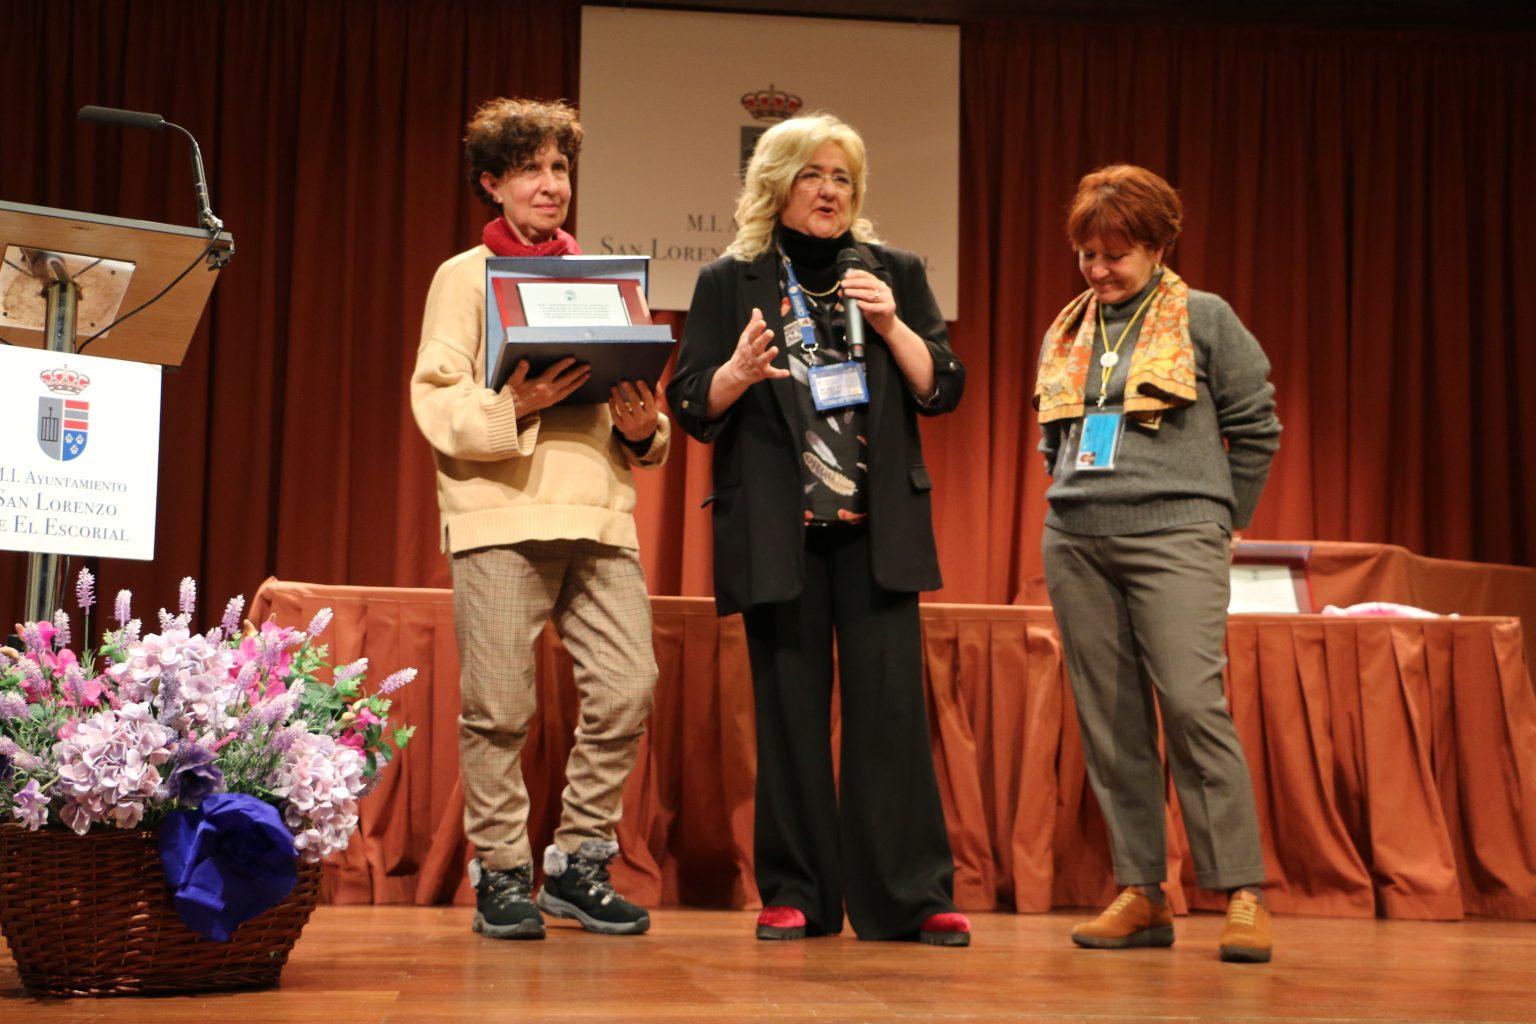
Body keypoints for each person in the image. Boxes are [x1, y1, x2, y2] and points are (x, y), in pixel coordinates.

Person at [667, 112, 970, 947]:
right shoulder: (733, 280)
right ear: (776, 185)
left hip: (878, 532)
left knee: (891, 718)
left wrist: (895, 326)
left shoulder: (894, 274)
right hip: (782, 528)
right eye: (813, 175)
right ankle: (796, 889)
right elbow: (690, 402)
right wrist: (732, 375)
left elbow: (943, 387)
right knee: (789, 713)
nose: (830, 190)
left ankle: (910, 897)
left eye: (842, 177)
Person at [410, 97, 668, 941]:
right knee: (498, 708)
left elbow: (636, 413)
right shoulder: (462, 277)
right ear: (493, 183)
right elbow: (435, 398)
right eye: (530, 169)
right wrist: (508, 405)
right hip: (498, 516)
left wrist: (643, 426)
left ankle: (579, 862)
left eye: (559, 168)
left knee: (629, 687)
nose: (550, 184)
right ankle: (504, 873)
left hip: (595, 514)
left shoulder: (602, 278)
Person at [1033, 164, 1282, 963]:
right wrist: (1072, 496)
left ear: (1160, 244)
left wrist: (1221, 520)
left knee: (1191, 704)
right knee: (1110, 723)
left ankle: (1240, 891)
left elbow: (1257, 425)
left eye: (1116, 255)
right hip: (1076, 537)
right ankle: (1143, 890)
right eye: (1088, 256)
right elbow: (1055, 438)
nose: (1100, 271)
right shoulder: (1069, 327)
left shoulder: (1204, 317)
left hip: (1176, 534)